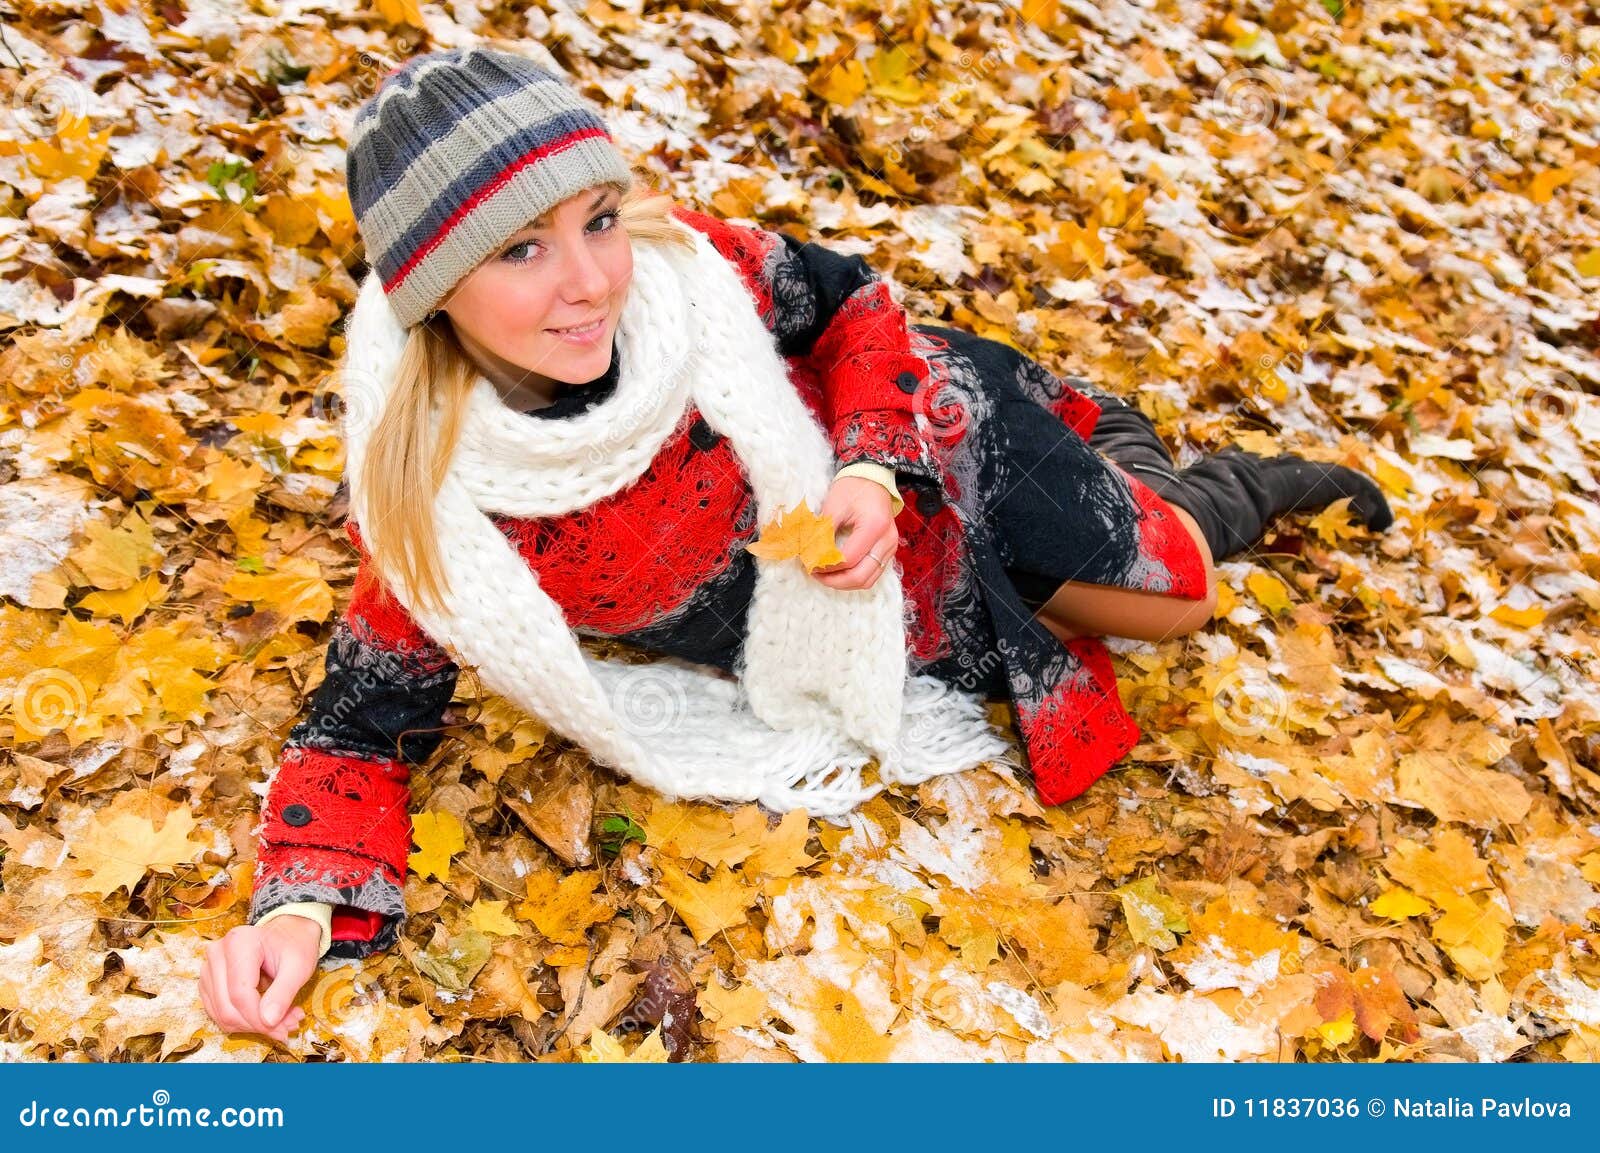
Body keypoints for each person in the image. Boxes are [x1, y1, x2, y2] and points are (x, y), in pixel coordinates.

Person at [198, 46, 1392, 1043]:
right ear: (430, 290)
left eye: (598, 220)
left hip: (927, 451)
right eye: (520, 250)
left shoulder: (693, 280)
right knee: (1093, 617)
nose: (589, 282)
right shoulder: (439, 491)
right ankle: (1114, 457)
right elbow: (359, 721)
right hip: (878, 601)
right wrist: (298, 911)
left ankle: (1181, 474)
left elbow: (859, 301)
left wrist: (870, 462)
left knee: (1177, 595)